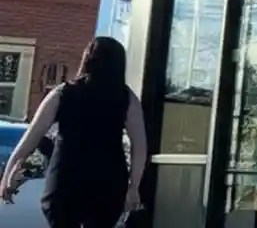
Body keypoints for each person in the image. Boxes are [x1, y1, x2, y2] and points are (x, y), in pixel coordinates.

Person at [0, 37, 148, 228]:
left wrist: (8, 174)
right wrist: (134, 186)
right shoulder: (126, 99)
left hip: (65, 178)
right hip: (107, 180)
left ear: (87, 59)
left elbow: (31, 138)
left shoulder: (63, 93)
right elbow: (140, 146)